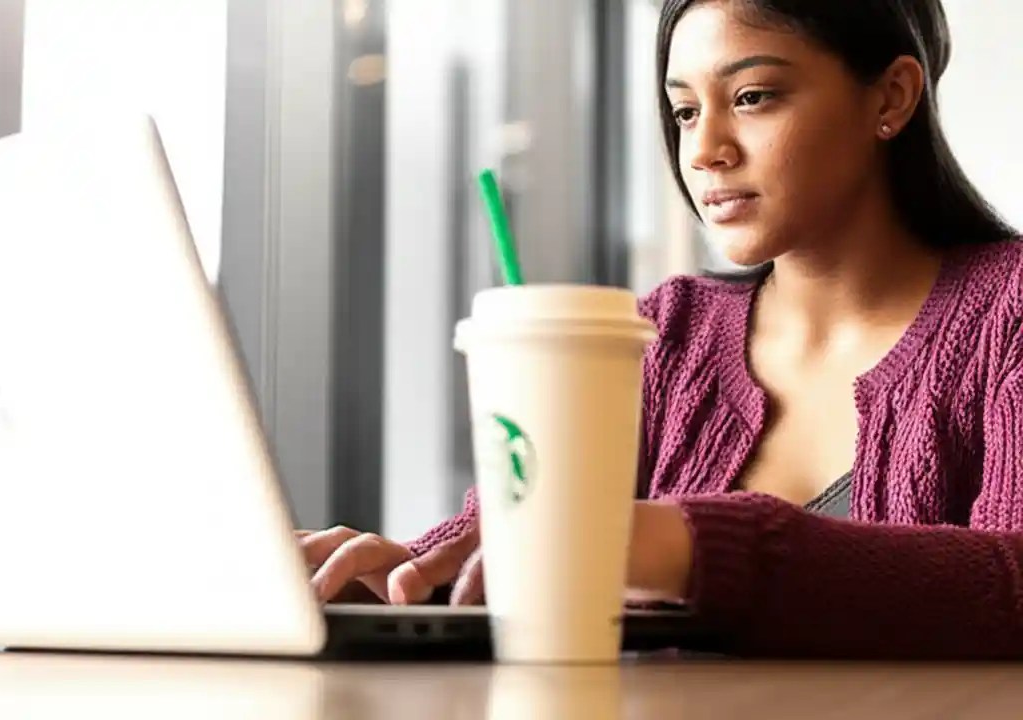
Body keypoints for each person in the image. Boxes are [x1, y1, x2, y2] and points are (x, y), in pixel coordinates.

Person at [301, 0, 1023, 659]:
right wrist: (395, 582)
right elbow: (508, 536)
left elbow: (1011, 585)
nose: (705, 148)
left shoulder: (1007, 310)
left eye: (751, 97)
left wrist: (672, 542)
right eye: (683, 112)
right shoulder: (665, 334)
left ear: (891, 96)